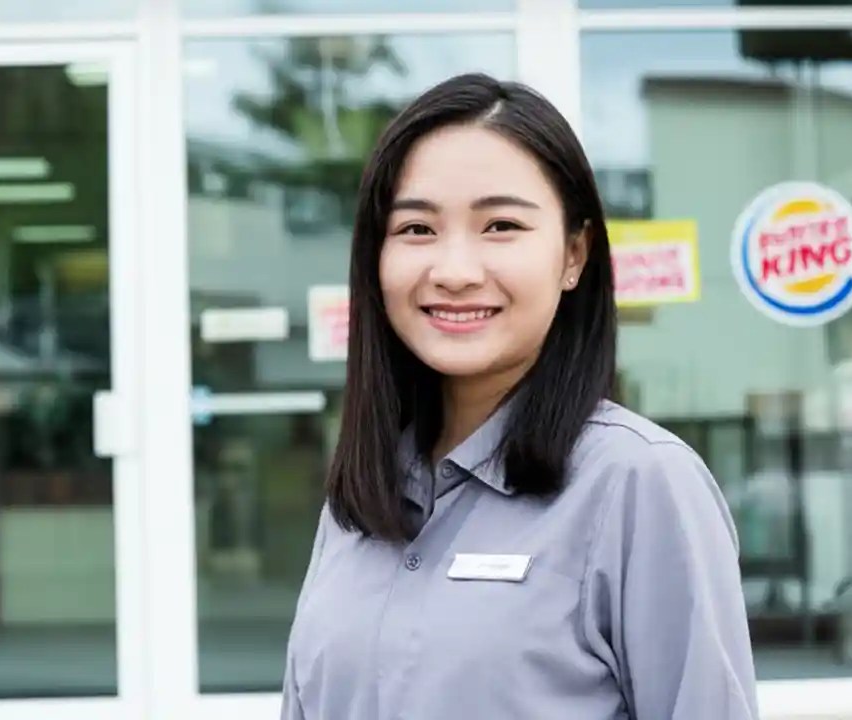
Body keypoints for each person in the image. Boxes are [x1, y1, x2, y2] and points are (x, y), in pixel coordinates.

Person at [281, 73, 758, 720]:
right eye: (417, 229)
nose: (453, 271)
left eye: (500, 225)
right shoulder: (359, 499)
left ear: (574, 253)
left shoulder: (639, 483)